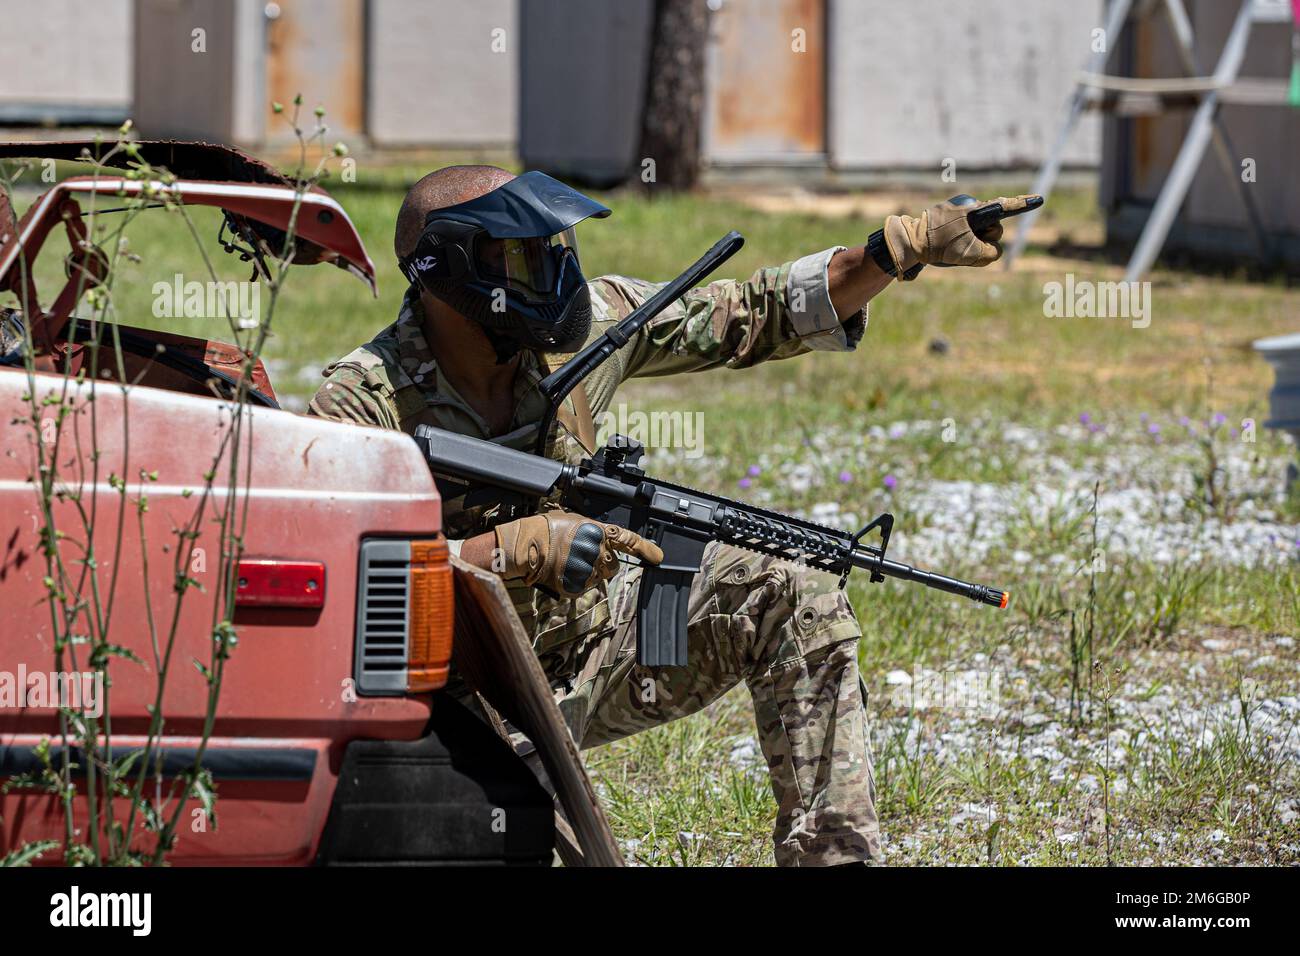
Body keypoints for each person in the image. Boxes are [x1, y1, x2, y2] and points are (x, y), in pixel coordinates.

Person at [309, 165, 1032, 866]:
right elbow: (336, 592)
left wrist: (896, 251)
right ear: (455, 271)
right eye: (527, 257)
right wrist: (497, 552)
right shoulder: (362, 405)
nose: (557, 278)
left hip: (595, 651)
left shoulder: (598, 326)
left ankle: (835, 858)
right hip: (466, 706)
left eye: (556, 252)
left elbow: (753, 313)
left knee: (794, 590)